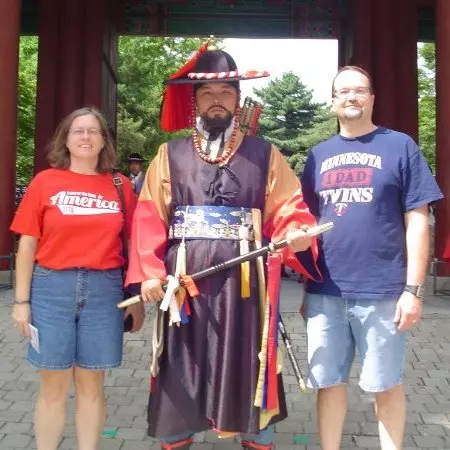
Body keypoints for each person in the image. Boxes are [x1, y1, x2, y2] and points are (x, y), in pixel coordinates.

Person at [125, 41, 321, 450]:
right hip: (183, 281)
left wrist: (297, 230)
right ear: (195, 102)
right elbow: (148, 216)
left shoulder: (266, 155)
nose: (218, 102)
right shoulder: (169, 154)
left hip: (246, 284)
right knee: (180, 360)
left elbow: (289, 207)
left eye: (226, 93)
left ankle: (254, 434)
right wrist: (148, 271)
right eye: (208, 95)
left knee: (249, 357)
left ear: (238, 99)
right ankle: (178, 433)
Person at [300, 66, 443, 450]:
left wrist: (413, 290)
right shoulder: (317, 155)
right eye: (343, 91)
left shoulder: (400, 146)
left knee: (385, 384)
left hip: (383, 292)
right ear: (332, 100)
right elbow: (305, 223)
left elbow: (417, 220)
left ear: (372, 98)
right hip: (326, 290)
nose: (351, 97)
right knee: (327, 384)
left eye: (359, 90)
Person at [10, 106, 145, 450]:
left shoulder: (121, 187)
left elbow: (135, 244)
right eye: (78, 131)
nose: (86, 137)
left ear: (103, 142)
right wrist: (21, 302)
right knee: (53, 386)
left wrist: (136, 299)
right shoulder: (45, 182)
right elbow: (27, 243)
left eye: (93, 132)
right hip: (51, 289)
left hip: (105, 291)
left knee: (92, 384)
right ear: (66, 140)